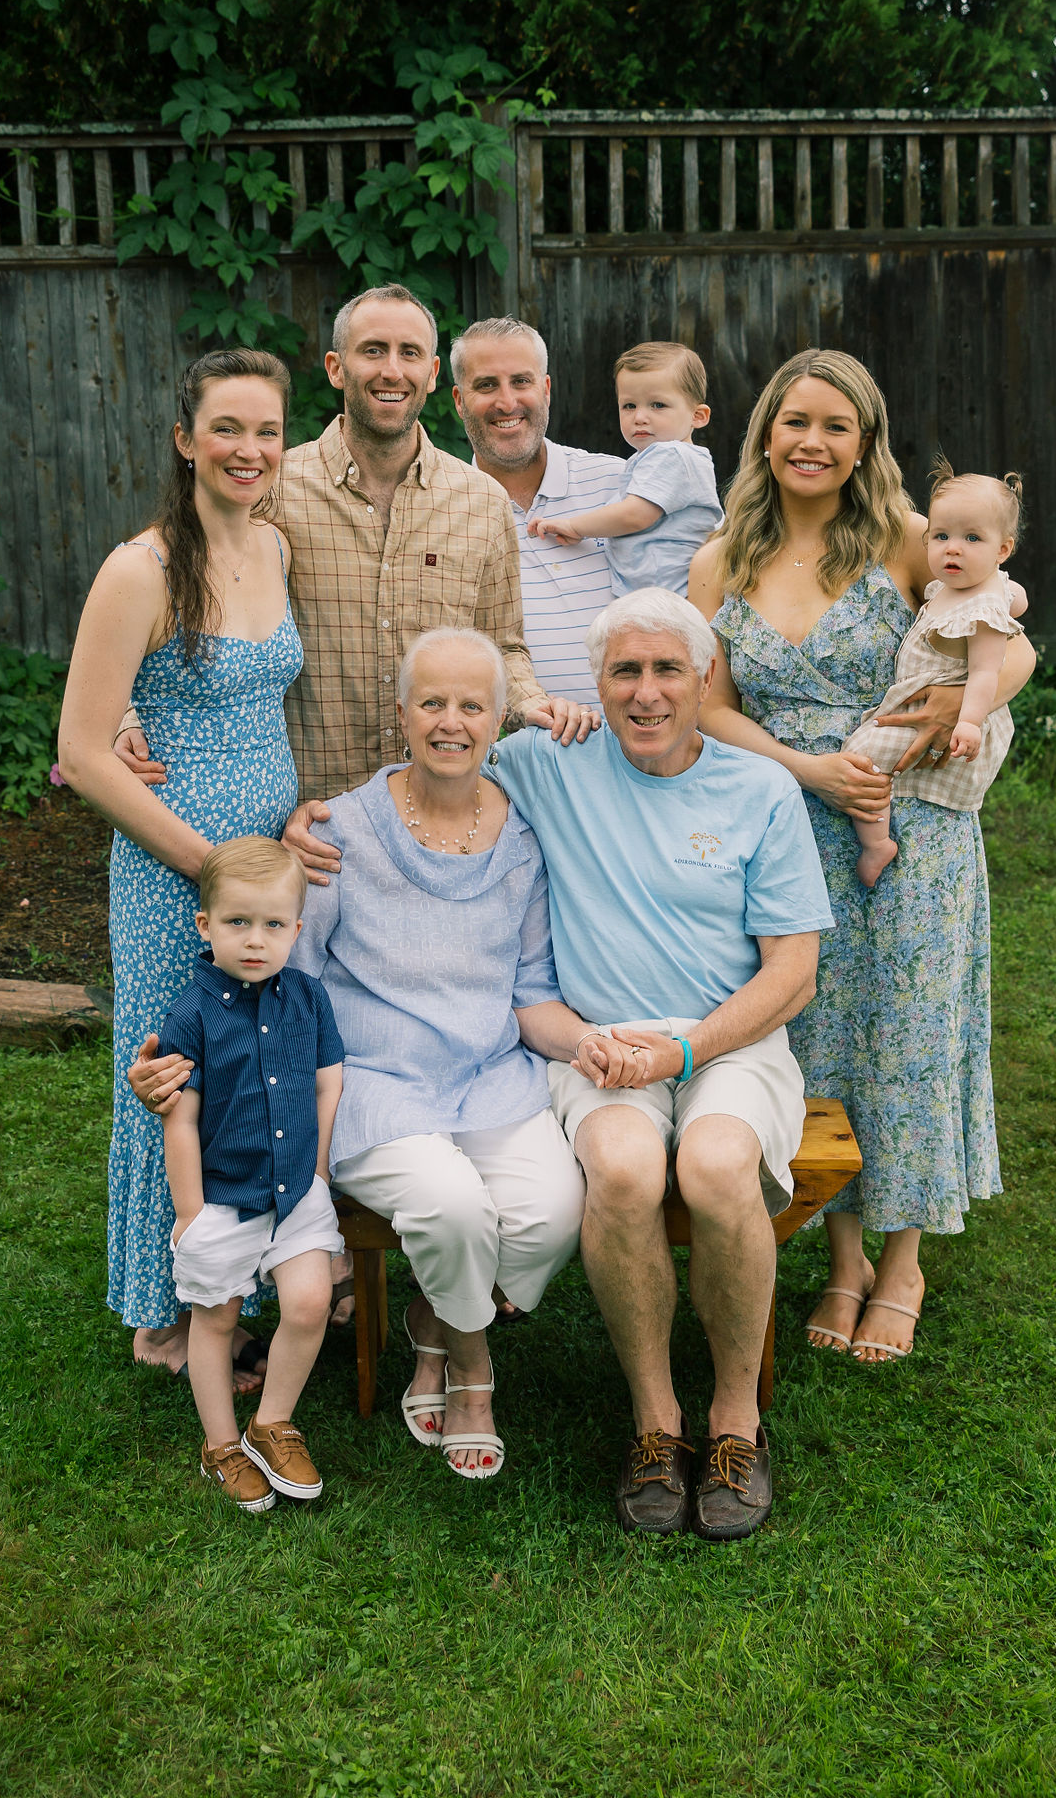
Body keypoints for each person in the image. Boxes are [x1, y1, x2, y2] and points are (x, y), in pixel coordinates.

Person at [286, 590, 834, 1541]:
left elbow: (794, 971)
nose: (647, 693)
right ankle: (656, 1425)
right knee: (621, 1171)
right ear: (596, 686)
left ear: (705, 679)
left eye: (669, 670)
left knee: (711, 1166)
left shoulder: (760, 791)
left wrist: (687, 1047)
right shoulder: (547, 762)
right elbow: (436, 762)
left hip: (728, 1041)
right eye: (625, 672)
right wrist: (312, 819)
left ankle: (736, 1420)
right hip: (599, 1042)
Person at [131, 629, 640, 1481]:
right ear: (401, 715)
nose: (452, 722)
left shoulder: (522, 842)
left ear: (498, 718)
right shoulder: (339, 833)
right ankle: (470, 1367)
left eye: (472, 705)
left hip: (488, 1078)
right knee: (452, 1211)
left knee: (552, 1215)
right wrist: (188, 1055)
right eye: (432, 703)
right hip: (371, 1084)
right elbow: (280, 984)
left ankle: (433, 1325)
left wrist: (585, 1040)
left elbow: (531, 994)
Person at [688, 347, 1036, 1366]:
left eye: (836, 426)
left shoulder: (907, 538)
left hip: (911, 817)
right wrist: (805, 767)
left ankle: (905, 1259)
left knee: (912, 1031)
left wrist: (956, 705)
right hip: (786, 819)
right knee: (817, 1039)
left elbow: (1007, 641)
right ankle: (839, 1255)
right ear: (764, 431)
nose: (812, 440)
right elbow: (709, 705)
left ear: (862, 445)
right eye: (795, 420)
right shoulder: (720, 558)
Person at [57, 345, 303, 1388]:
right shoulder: (142, 568)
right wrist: (210, 868)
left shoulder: (277, 547)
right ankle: (163, 1313)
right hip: (178, 872)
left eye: (266, 431)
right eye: (227, 429)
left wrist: (268, 866)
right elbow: (79, 748)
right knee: (177, 1075)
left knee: (250, 1067)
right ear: (184, 438)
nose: (247, 449)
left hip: (267, 872)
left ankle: (238, 1285)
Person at [116, 287, 596, 807]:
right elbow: (164, 582)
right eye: (372, 350)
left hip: (435, 808)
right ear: (335, 367)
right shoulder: (271, 488)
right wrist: (126, 713)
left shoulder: (482, 502)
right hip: (305, 815)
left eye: (409, 353)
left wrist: (534, 703)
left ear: (433, 374)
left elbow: (503, 643)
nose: (392, 370)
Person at [159, 838, 346, 1512]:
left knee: (308, 1302)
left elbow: (328, 1086)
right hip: (225, 1200)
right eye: (238, 922)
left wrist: (319, 1172)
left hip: (298, 1191)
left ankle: (271, 1421)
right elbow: (180, 1120)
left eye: (273, 925)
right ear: (205, 925)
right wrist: (189, 1213)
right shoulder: (193, 1014)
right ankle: (221, 1447)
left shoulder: (308, 999)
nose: (256, 941)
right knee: (216, 1319)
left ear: (297, 929)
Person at [847, 461, 1029, 887]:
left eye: (972, 539)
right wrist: (1011, 593)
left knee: (862, 760)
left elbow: (986, 672)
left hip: (951, 713)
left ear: (1002, 550)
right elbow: (1015, 596)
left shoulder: (982, 612)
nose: (953, 549)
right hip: (922, 701)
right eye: (942, 536)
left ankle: (877, 843)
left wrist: (967, 720)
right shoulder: (956, 588)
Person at [449, 317, 626, 703]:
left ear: (545, 390)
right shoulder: (445, 511)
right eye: (486, 385)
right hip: (521, 753)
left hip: (643, 744)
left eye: (521, 381)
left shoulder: (622, 484)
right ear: (459, 401)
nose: (507, 402)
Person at [527, 341, 723, 597]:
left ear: (698, 416)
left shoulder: (672, 455)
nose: (640, 416)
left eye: (658, 405)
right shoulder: (655, 458)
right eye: (629, 406)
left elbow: (635, 516)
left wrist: (576, 527)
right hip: (655, 594)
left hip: (668, 595)